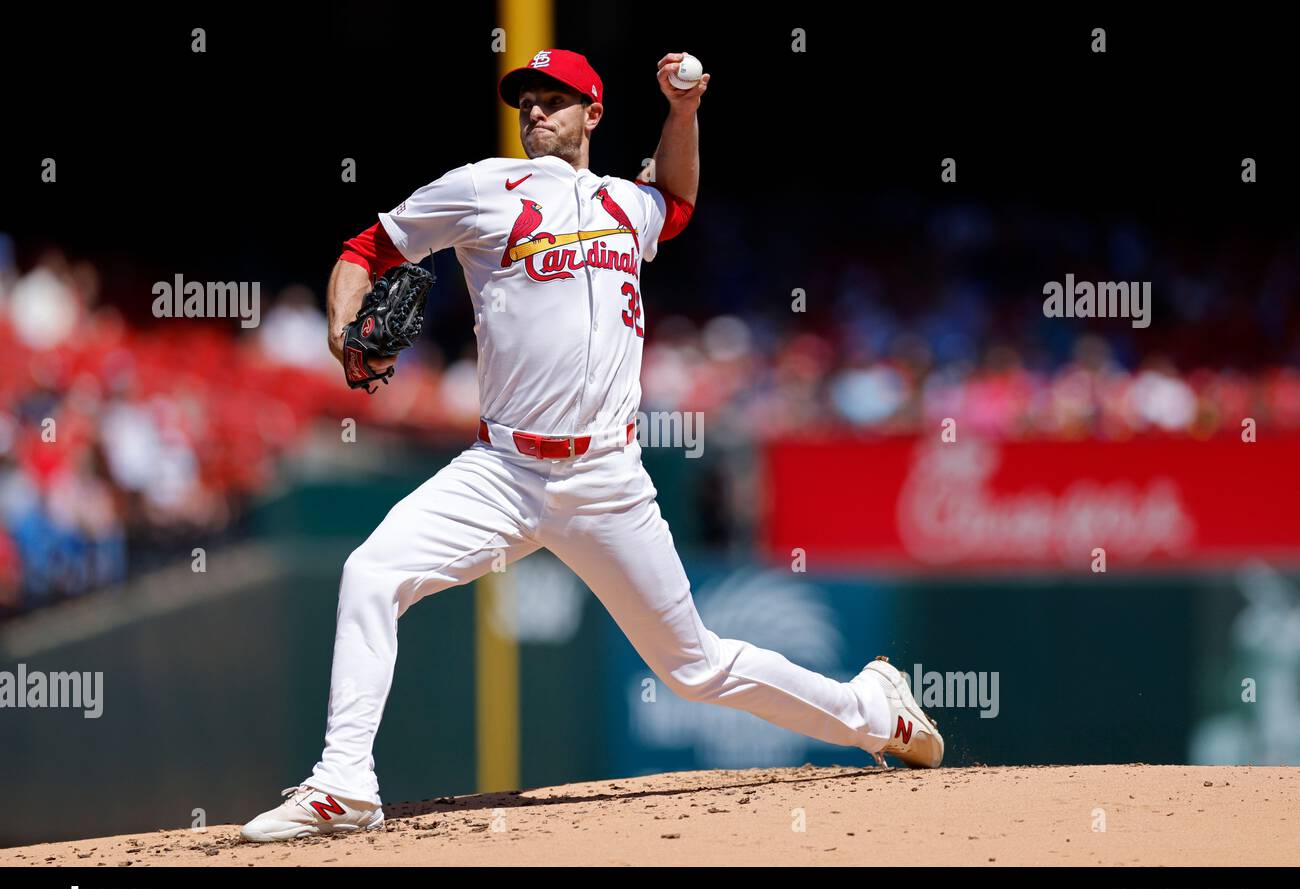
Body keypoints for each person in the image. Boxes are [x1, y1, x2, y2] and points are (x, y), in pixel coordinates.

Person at [240, 50, 942, 843]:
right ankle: (344, 783)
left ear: (593, 114)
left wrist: (683, 112)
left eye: (554, 99)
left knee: (694, 667)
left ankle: (872, 709)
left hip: (607, 475)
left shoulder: (626, 204)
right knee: (371, 573)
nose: (535, 111)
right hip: (502, 470)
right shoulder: (478, 186)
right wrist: (342, 327)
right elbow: (365, 249)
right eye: (527, 101)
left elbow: (676, 200)